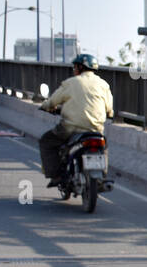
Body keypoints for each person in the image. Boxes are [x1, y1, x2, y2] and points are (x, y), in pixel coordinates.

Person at [39, 54, 113, 187]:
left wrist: (45, 106)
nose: (74, 70)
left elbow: (53, 101)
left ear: (80, 67)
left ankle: (56, 175)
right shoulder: (104, 85)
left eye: (75, 67)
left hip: (70, 128)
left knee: (46, 141)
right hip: (95, 129)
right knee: (103, 146)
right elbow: (110, 109)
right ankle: (102, 176)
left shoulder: (71, 83)